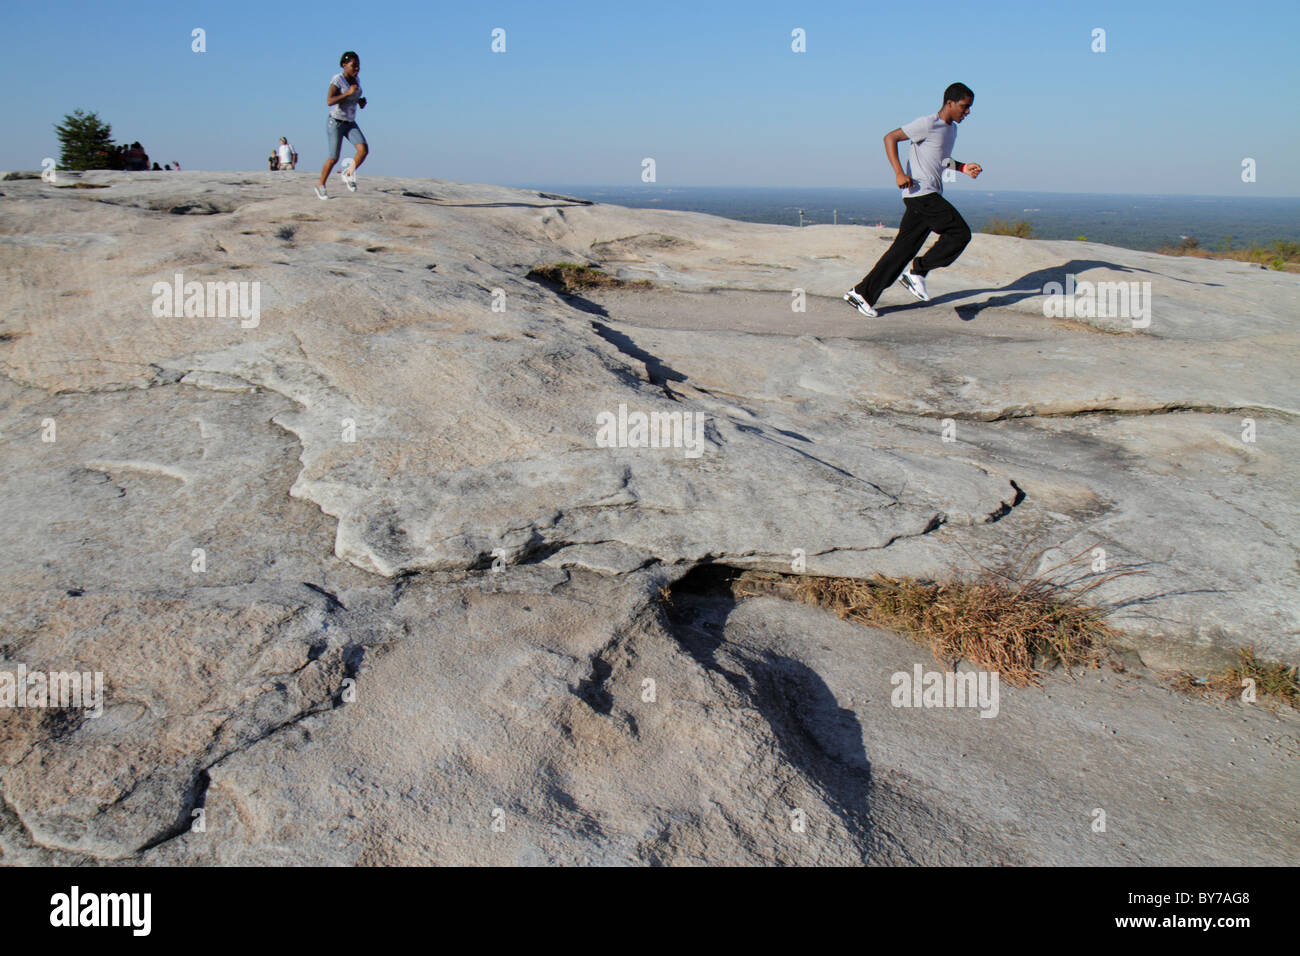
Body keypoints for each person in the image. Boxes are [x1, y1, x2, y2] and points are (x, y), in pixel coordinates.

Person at [844, 83, 982, 318]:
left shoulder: (951, 130)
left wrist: (963, 167)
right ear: (950, 103)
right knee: (959, 233)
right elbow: (890, 137)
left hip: (928, 195)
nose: (967, 111)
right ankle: (918, 271)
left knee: (901, 251)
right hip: (921, 193)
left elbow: (941, 159)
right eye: (964, 106)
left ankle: (862, 293)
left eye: (969, 107)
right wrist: (899, 172)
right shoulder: (927, 123)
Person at [315, 50, 368, 199]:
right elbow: (329, 101)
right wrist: (348, 94)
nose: (357, 68)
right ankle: (320, 185)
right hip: (336, 122)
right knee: (333, 157)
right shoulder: (338, 79)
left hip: (350, 122)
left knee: (363, 150)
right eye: (354, 66)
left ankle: (348, 173)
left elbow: (353, 97)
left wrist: (360, 101)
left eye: (358, 66)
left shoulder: (356, 81)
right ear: (344, 65)